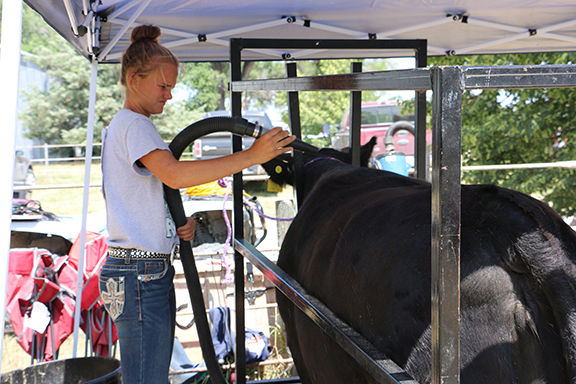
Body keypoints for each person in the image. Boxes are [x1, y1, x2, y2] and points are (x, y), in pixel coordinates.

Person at [98, 24, 295, 384]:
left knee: (147, 373)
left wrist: (172, 228)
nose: (169, 96)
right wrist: (252, 155)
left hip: (136, 269)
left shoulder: (125, 125)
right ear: (133, 79)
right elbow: (174, 175)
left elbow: (136, 196)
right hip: (140, 274)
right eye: (163, 86)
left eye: (171, 87)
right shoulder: (135, 125)